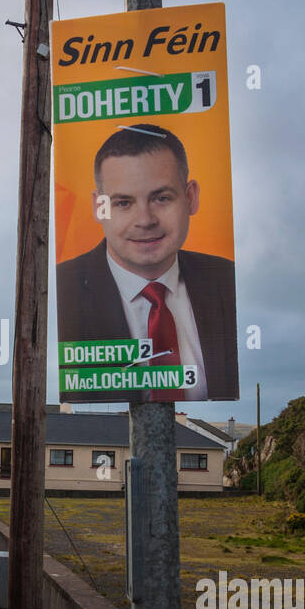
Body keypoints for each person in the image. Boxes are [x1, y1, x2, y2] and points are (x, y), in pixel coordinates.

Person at [56, 122, 238, 402]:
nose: (145, 220)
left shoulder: (227, 279)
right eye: (123, 203)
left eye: (161, 198)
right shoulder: (63, 289)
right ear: (99, 208)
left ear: (191, 198)